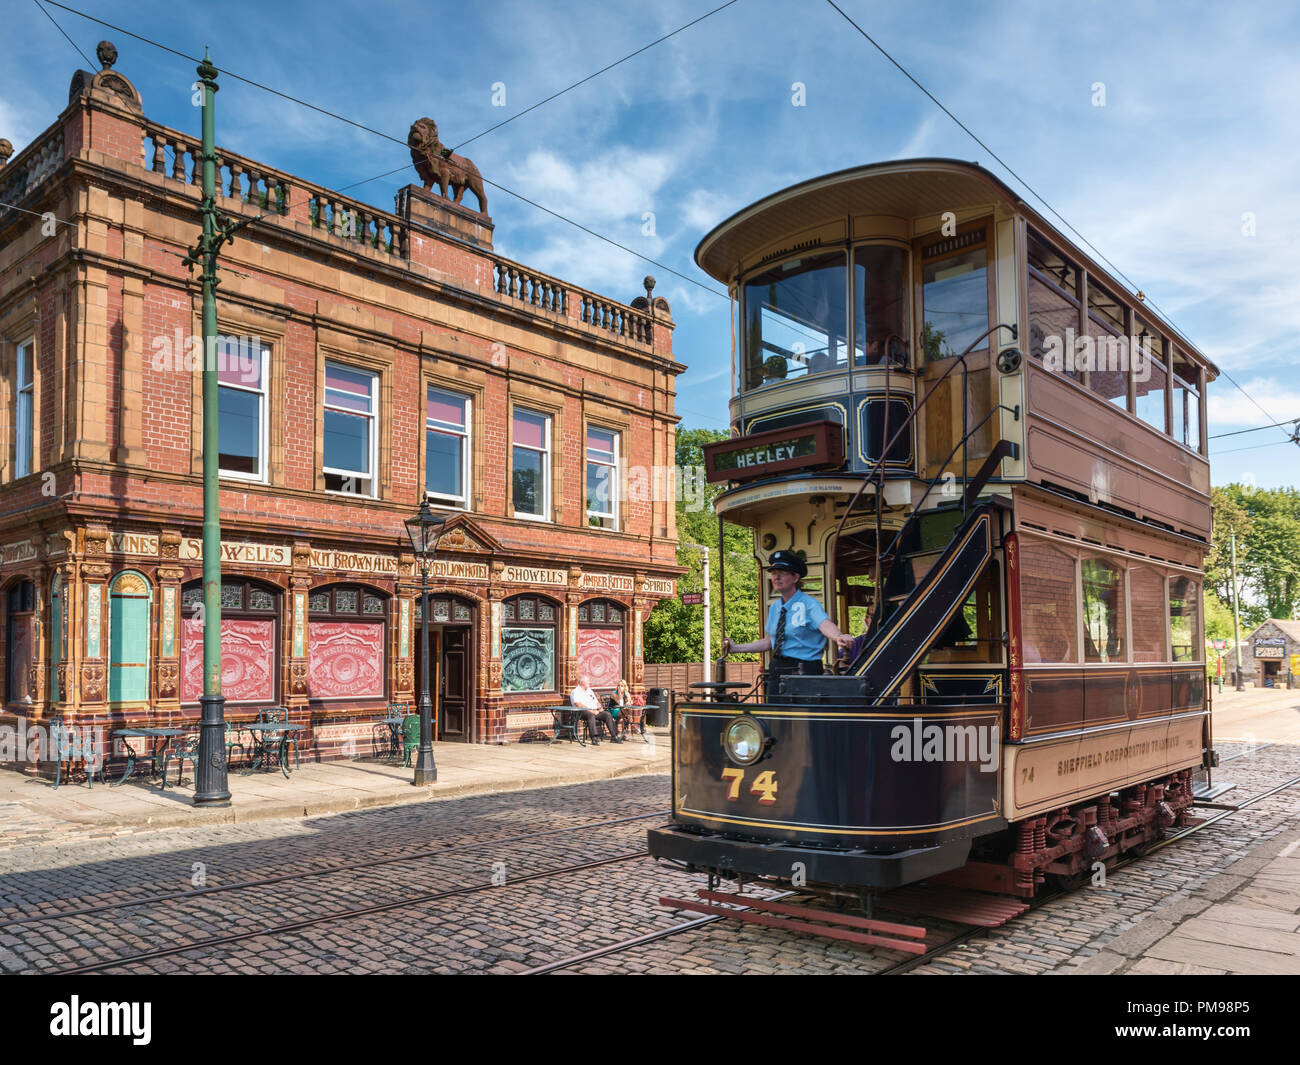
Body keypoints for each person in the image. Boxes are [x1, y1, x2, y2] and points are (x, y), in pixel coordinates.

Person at [721, 550, 853, 698]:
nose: (776, 577)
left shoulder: (809, 604)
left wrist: (838, 636)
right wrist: (736, 648)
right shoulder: (776, 608)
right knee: (775, 717)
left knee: (800, 719)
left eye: (782, 573)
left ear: (795, 577)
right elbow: (768, 642)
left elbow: (824, 624)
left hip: (803, 673)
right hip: (777, 670)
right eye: (774, 573)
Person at [569, 673, 622, 744]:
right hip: (581, 712)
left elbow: (596, 701)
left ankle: (614, 736)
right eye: (587, 681)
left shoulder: (589, 690)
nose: (589, 683)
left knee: (607, 714)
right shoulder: (575, 691)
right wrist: (591, 711)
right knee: (590, 715)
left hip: (594, 710)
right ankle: (594, 738)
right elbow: (578, 704)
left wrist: (599, 707)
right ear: (582, 682)